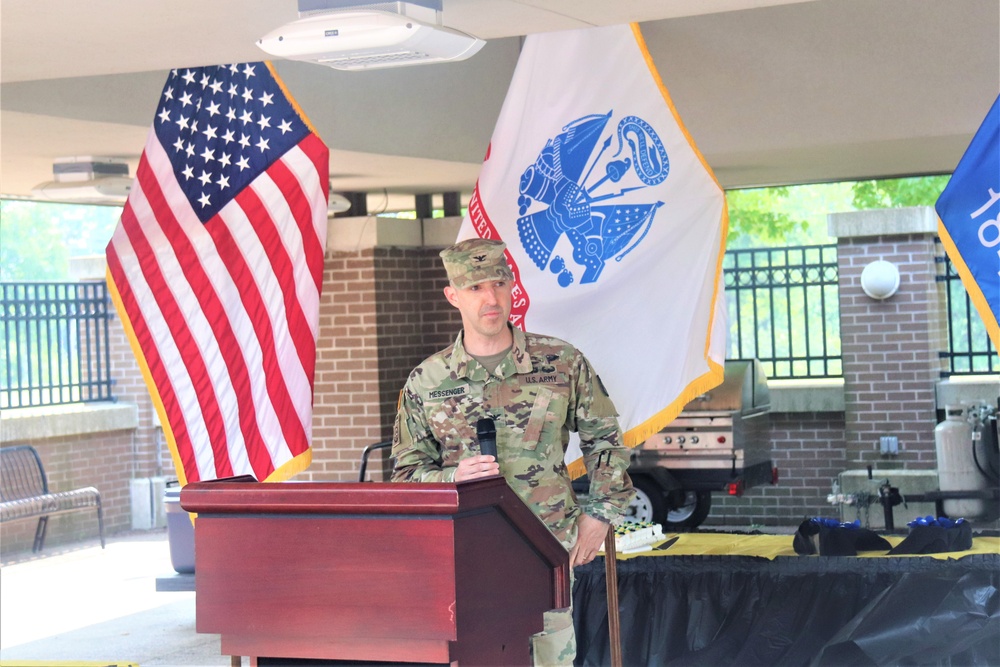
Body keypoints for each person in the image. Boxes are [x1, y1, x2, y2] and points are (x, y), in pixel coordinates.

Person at [391, 237, 634, 664]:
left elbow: (607, 441)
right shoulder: (427, 380)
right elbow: (407, 475)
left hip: (546, 548)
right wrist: (452, 477)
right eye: (476, 287)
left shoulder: (560, 361)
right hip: (464, 557)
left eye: (499, 284)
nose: (491, 297)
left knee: (550, 660)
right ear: (453, 296)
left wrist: (599, 515)